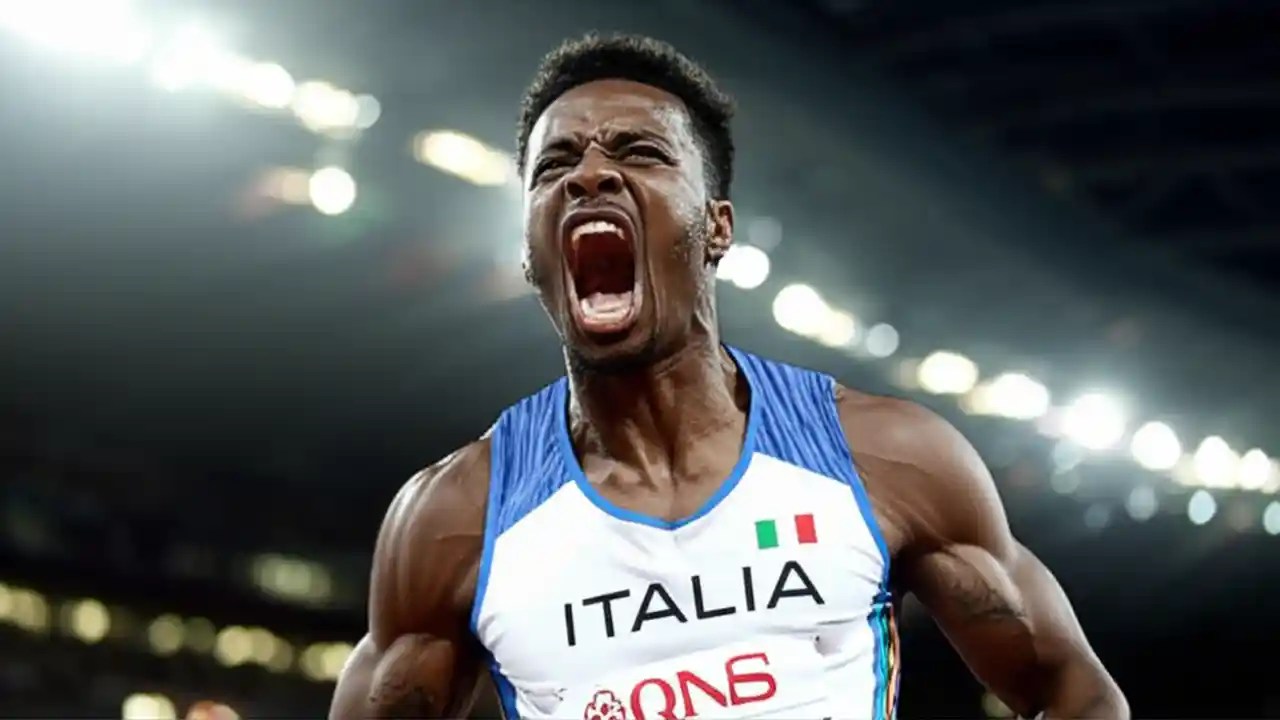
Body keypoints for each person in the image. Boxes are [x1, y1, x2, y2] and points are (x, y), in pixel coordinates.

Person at [330, 33, 1127, 720]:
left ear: (717, 228)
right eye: (555, 165)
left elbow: (1075, 692)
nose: (589, 176)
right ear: (529, 249)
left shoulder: (886, 456)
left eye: (639, 152)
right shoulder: (456, 518)